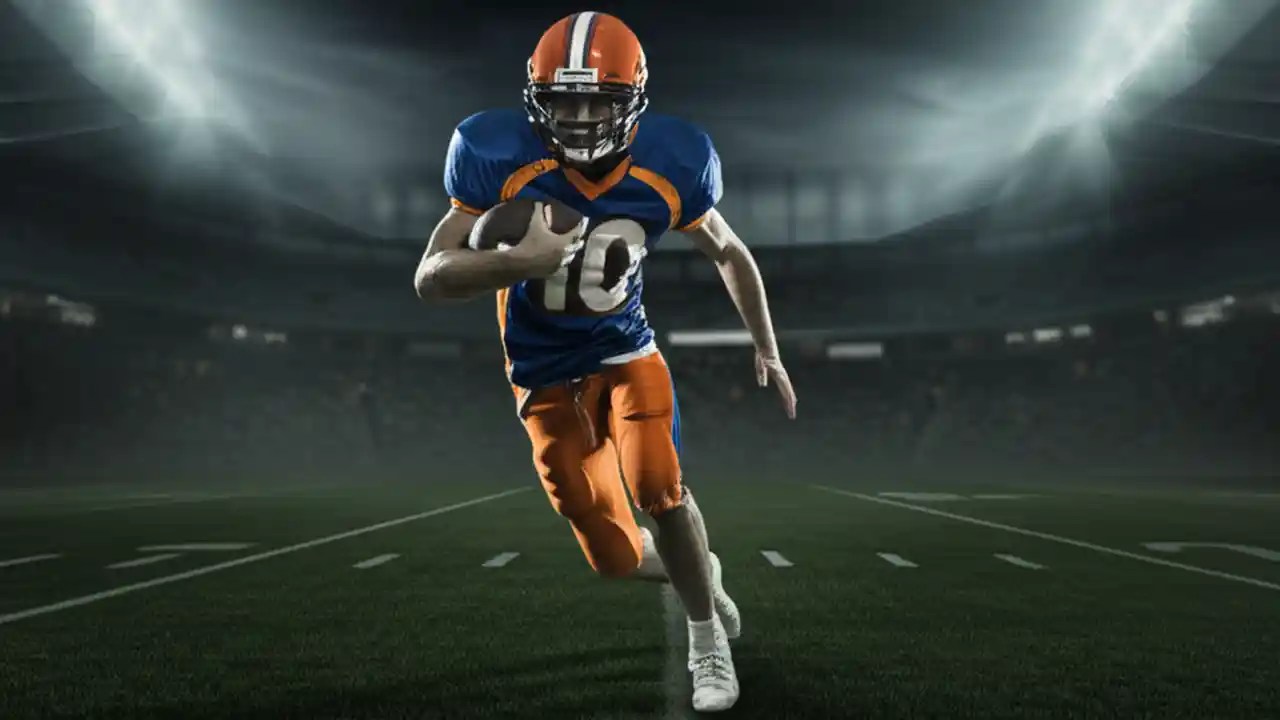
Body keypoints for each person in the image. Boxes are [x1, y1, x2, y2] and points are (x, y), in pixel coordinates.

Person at [414, 11, 796, 712]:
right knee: (613, 558)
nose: (583, 117)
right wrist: (518, 263)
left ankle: (707, 640)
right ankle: (699, 573)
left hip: (625, 350)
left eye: (600, 101)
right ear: (539, 101)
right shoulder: (495, 155)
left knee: (660, 486)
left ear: (633, 103)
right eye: (565, 100)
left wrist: (766, 346)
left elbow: (729, 252)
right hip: (540, 372)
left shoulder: (672, 162)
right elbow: (430, 276)